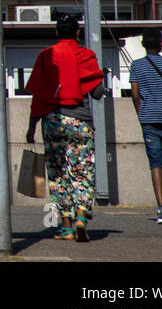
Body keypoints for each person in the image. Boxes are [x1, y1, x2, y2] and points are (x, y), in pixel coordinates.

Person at [25, 15, 107, 242]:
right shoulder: (86, 55)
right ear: (77, 33)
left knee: (58, 175)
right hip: (80, 121)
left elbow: (38, 95)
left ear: (57, 33)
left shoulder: (46, 56)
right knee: (83, 171)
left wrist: (31, 127)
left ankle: (67, 229)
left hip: (53, 121)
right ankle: (81, 218)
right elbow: (97, 92)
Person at [129, 29, 162, 222]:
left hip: (148, 117)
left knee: (155, 163)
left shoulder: (137, 65)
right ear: (161, 44)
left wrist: (141, 113)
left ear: (143, 44)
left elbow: (135, 95)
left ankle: (161, 207)